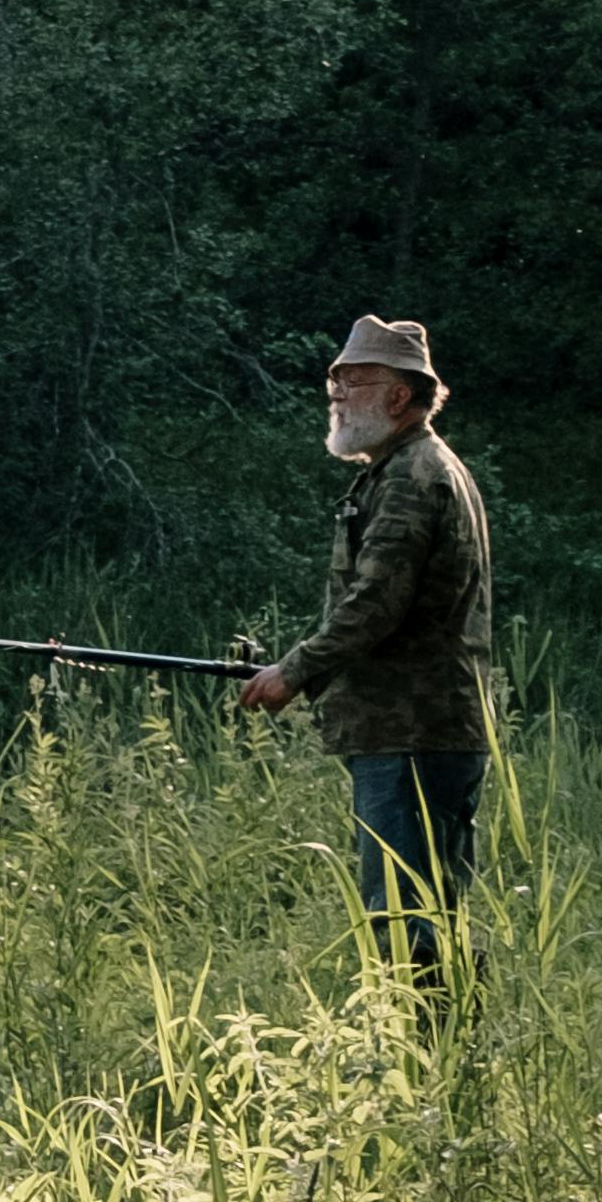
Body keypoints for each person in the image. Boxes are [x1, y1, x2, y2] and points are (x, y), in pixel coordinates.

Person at [237, 310, 492, 980]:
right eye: (335, 382)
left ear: (399, 395)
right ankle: (444, 1063)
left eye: (353, 382)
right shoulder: (407, 467)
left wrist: (292, 672)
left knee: (407, 926)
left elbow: (375, 603)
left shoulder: (412, 474)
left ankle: (423, 1066)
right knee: (430, 912)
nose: (337, 394)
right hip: (418, 728)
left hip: (410, 731)